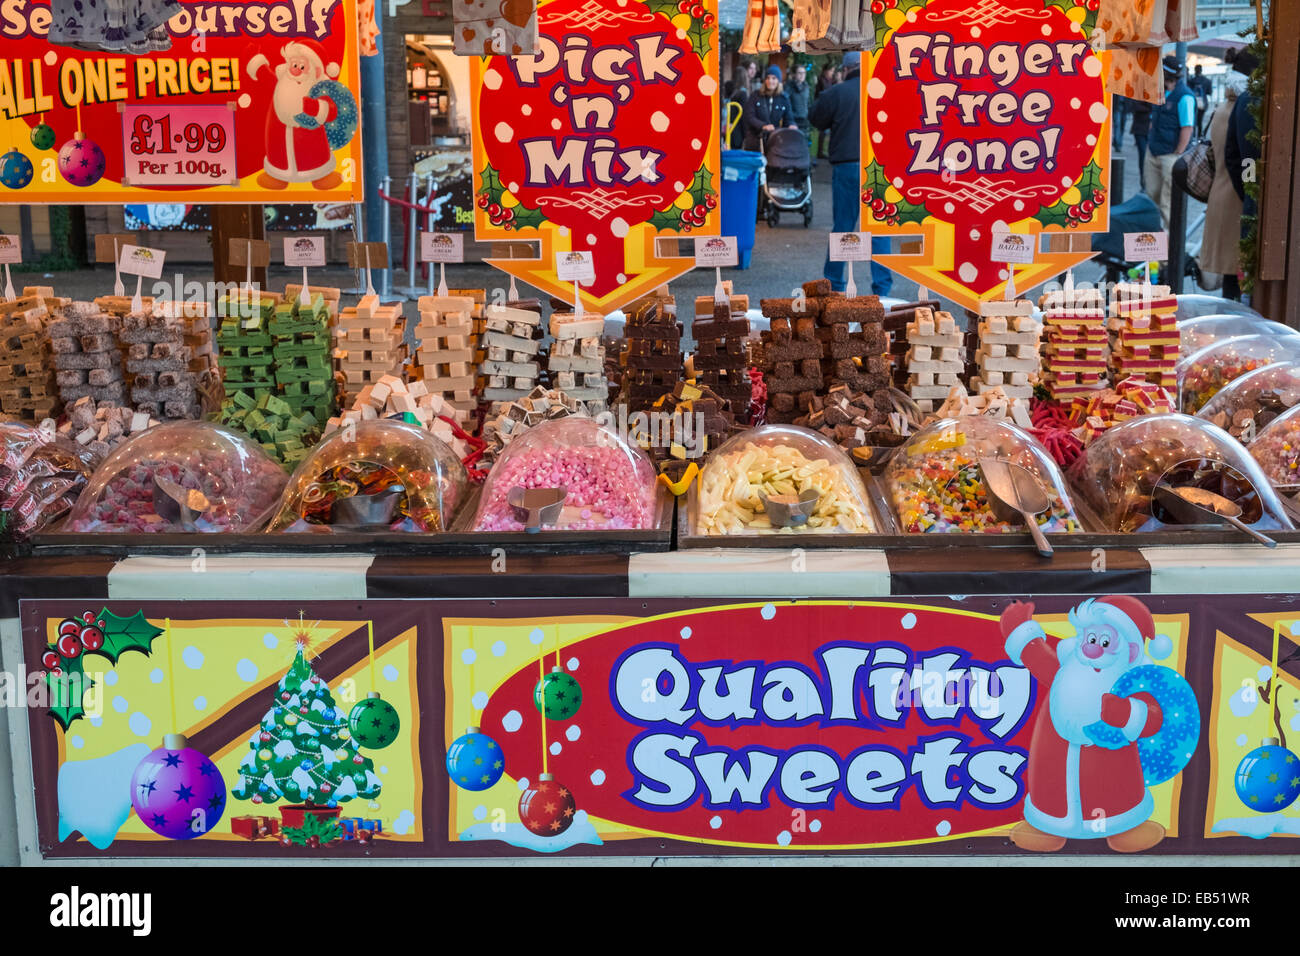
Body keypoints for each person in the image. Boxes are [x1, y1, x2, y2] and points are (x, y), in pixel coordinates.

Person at [808, 50, 892, 296]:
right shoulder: (883, 91)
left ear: (846, 69)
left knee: (843, 226)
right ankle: (883, 289)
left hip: (846, 167)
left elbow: (815, 118)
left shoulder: (837, 92)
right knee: (878, 227)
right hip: (877, 168)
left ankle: (834, 285)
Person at [1201, 75, 1245, 299]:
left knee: (1230, 274)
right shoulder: (1243, 110)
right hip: (1235, 198)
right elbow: (1244, 160)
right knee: (1237, 274)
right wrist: (1250, 187)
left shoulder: (1221, 109)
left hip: (1220, 192)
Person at [1144, 56, 1196, 230]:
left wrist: (1178, 153)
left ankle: (1169, 248)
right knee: (1151, 194)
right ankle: (1156, 238)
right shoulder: (1160, 92)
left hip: (1170, 155)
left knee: (1168, 202)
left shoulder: (1185, 97)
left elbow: (1187, 127)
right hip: (1153, 150)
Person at [742, 64, 796, 152]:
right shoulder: (755, 96)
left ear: (778, 80)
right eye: (768, 78)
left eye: (774, 78)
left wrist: (792, 125)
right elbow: (749, 116)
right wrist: (763, 126)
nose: (770, 81)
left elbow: (789, 118)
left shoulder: (784, 98)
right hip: (755, 140)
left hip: (774, 141)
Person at [787, 62, 813, 163]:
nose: (802, 75)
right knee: (792, 147)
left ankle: (804, 167)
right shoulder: (788, 87)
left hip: (805, 121)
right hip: (793, 122)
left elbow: (809, 103)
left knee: (804, 146)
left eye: (804, 73)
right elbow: (787, 105)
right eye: (799, 73)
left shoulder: (807, 87)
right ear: (794, 74)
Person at [1130, 98, 1152, 190]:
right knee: (1143, 156)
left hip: (1152, 130)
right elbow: (1135, 106)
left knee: (1151, 157)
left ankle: (1149, 182)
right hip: (1140, 128)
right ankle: (1144, 183)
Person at [815, 63, 834, 159]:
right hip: (823, 108)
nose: (832, 73)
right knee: (823, 131)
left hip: (829, 108)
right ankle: (820, 152)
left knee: (827, 132)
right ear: (826, 71)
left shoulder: (829, 80)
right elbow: (821, 94)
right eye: (831, 71)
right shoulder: (822, 80)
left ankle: (825, 151)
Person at [1189, 63, 1213, 137]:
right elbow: (1209, 92)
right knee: (1200, 121)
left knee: (1192, 121)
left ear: (1195, 70)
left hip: (1192, 102)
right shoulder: (1207, 81)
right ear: (1201, 70)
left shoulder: (1191, 81)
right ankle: (1199, 137)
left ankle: (1192, 137)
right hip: (1203, 103)